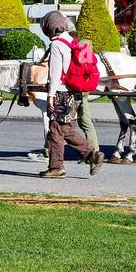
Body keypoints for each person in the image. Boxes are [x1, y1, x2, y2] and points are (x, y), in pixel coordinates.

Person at [38, 10, 102, 178]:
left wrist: (51, 95)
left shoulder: (57, 44)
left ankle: (86, 156)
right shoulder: (72, 41)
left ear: (49, 27)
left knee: (56, 128)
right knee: (64, 129)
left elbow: (56, 73)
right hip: (76, 92)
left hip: (62, 92)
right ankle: (60, 165)